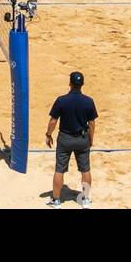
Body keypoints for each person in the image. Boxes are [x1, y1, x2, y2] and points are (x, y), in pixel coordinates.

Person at [45, 71, 98, 208]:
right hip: (82, 139)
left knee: (59, 170)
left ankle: (56, 200)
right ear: (82, 85)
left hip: (65, 139)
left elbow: (53, 121)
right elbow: (92, 124)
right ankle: (85, 199)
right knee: (85, 170)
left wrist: (48, 134)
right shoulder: (88, 101)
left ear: (70, 83)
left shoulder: (61, 100)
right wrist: (90, 139)